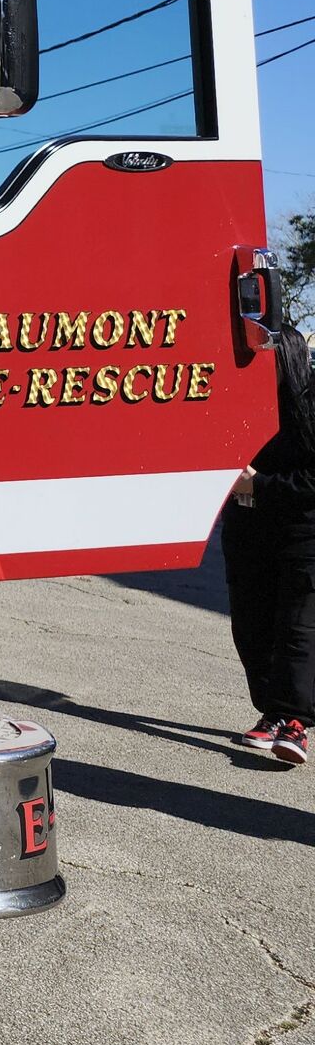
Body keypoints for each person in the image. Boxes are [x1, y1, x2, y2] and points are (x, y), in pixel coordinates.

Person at [223, 323, 315, 766]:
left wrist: (261, 486)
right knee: (250, 626)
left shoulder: (309, 403)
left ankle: (293, 721)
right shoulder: (235, 402)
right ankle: (271, 711)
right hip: (247, 529)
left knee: (298, 631)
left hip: (303, 533)